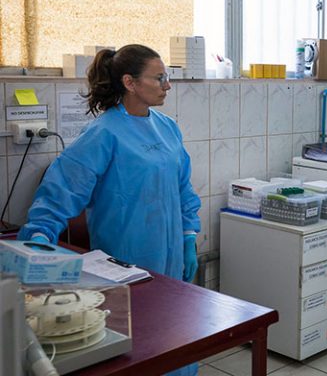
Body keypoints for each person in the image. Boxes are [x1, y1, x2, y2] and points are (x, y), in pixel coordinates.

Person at [18, 44, 201, 374]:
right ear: (130, 83)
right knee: (137, 350)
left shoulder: (168, 128)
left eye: (167, 77)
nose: (167, 85)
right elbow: (60, 193)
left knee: (175, 341)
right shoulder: (103, 133)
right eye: (159, 78)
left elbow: (183, 187)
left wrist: (189, 235)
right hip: (126, 264)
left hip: (172, 261)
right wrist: (36, 246)